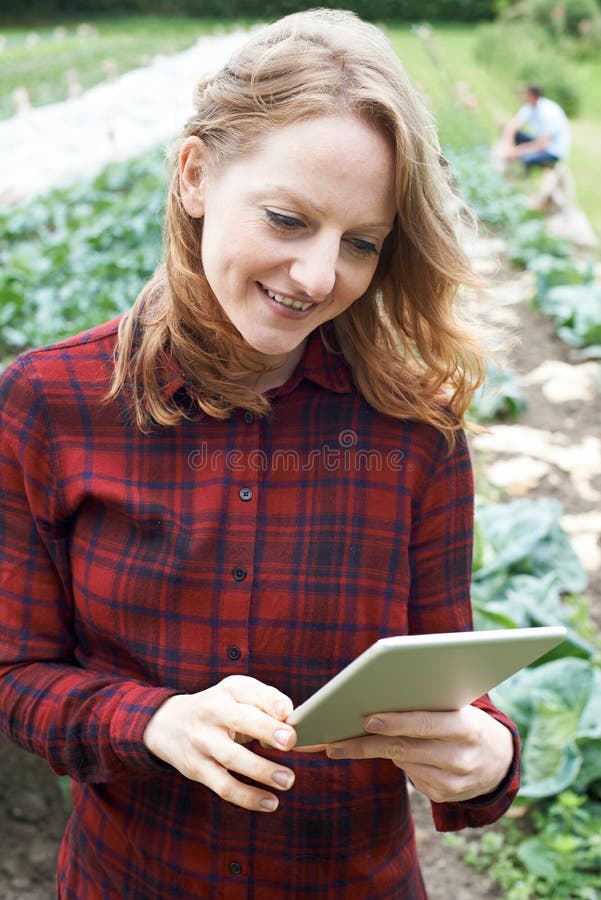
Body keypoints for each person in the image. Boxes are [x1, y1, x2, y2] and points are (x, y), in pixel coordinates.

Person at [0, 9, 520, 898]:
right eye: (287, 219)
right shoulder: (50, 403)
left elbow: (447, 683)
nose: (319, 276)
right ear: (196, 175)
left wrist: (485, 757)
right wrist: (152, 721)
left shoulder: (416, 431)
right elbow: (15, 672)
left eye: (360, 243)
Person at [501, 83, 571, 172]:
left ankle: (526, 174)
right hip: (539, 142)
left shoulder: (549, 112)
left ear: (532, 95)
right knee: (508, 130)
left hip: (552, 150)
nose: (522, 97)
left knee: (525, 159)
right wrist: (508, 146)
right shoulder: (530, 106)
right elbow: (513, 126)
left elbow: (542, 145)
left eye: (524, 94)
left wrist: (517, 152)